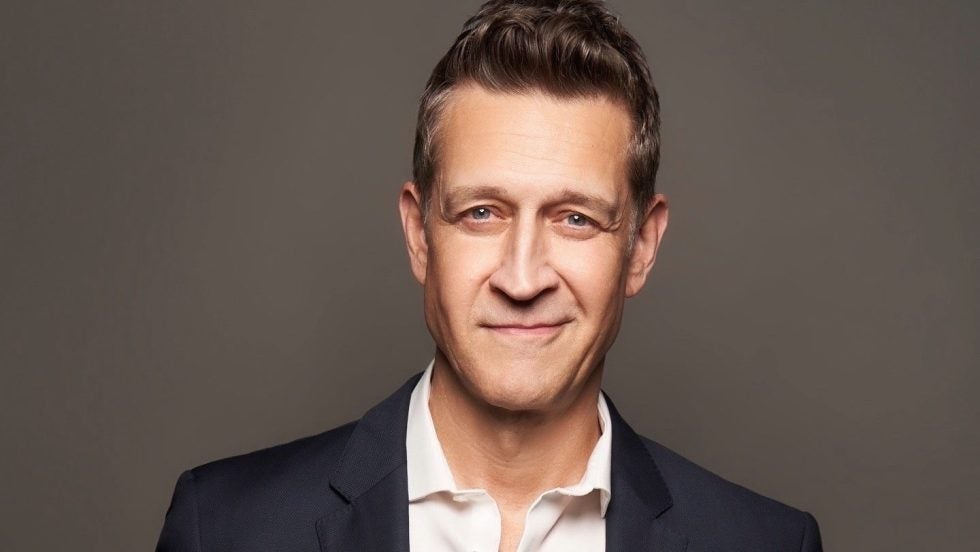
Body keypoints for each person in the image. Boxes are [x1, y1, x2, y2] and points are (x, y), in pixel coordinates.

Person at [156, 1, 822, 550]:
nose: (522, 279)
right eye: (481, 213)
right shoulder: (225, 530)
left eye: (576, 219)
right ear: (420, 233)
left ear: (641, 246)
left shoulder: (764, 543)